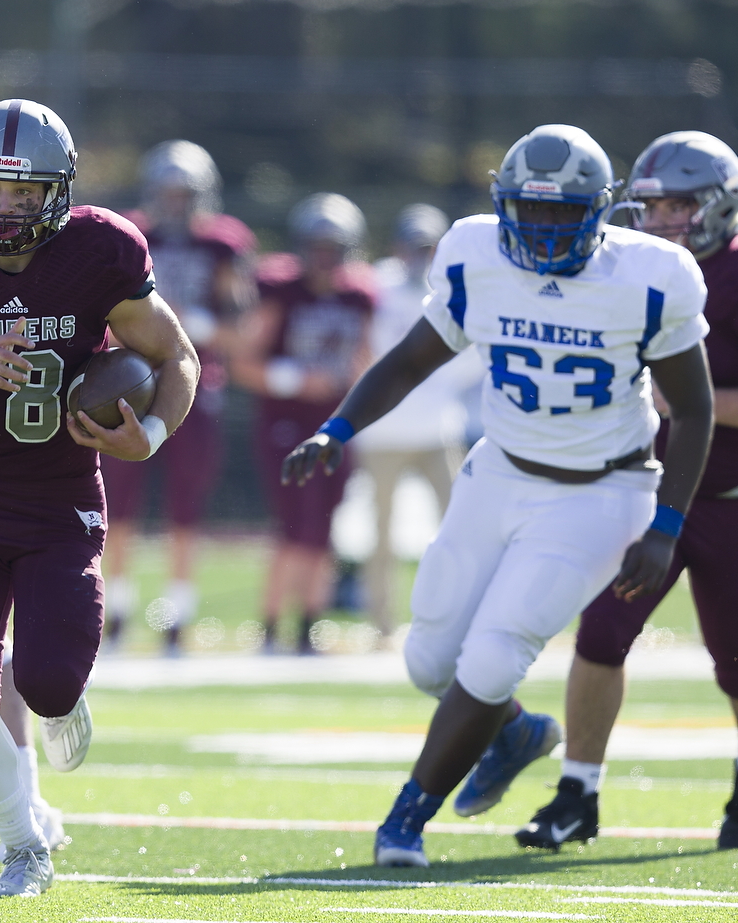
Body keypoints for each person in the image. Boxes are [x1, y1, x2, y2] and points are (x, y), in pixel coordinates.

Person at [283, 124, 714, 869]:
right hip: (501, 471)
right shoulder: (474, 254)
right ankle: (512, 732)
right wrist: (338, 428)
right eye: (530, 211)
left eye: (563, 213)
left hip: (602, 491)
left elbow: (695, 409)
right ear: (503, 204)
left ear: (601, 210)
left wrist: (666, 525)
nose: (544, 230)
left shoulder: (649, 277)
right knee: (429, 661)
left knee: (491, 656)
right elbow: (413, 357)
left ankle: (406, 819)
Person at [0, 99, 199, 897]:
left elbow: (179, 357)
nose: (7, 208)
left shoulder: (100, 252)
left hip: (61, 503)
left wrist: (151, 434)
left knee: (52, 681)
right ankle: (23, 844)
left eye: (26, 193)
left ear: (58, 194)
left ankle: (62, 694)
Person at [517, 130, 738, 852]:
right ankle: (577, 790)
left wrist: (697, 399)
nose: (667, 219)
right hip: (649, 492)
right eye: (654, 205)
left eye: (681, 204)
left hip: (732, 500)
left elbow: (691, 397)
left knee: (736, 662)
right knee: (602, 634)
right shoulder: (623, 266)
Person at [102, 141, 257, 652]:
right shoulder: (131, 235)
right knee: (115, 503)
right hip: (127, 379)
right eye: (166, 192)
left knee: (184, 508)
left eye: (183, 192)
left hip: (194, 385)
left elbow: (241, 329)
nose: (174, 202)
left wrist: (198, 325)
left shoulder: (223, 246)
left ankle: (177, 612)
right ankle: (115, 608)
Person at [231, 193, 373, 654]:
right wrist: (297, 380)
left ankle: (309, 625)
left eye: (335, 249)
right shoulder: (282, 291)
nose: (326, 259)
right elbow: (244, 363)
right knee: (296, 526)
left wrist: (355, 383)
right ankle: (271, 626)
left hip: (336, 424)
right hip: (287, 424)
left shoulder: (359, 296)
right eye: (319, 247)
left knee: (324, 527)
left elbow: (365, 362)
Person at [355, 204, 482, 643]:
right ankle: (383, 626)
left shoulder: (454, 287)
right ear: (398, 247)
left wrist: (433, 383)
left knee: (458, 527)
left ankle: (459, 618)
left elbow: (471, 359)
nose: (420, 256)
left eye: (429, 248)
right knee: (380, 536)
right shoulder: (377, 285)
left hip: (437, 429)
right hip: (382, 431)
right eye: (415, 247)